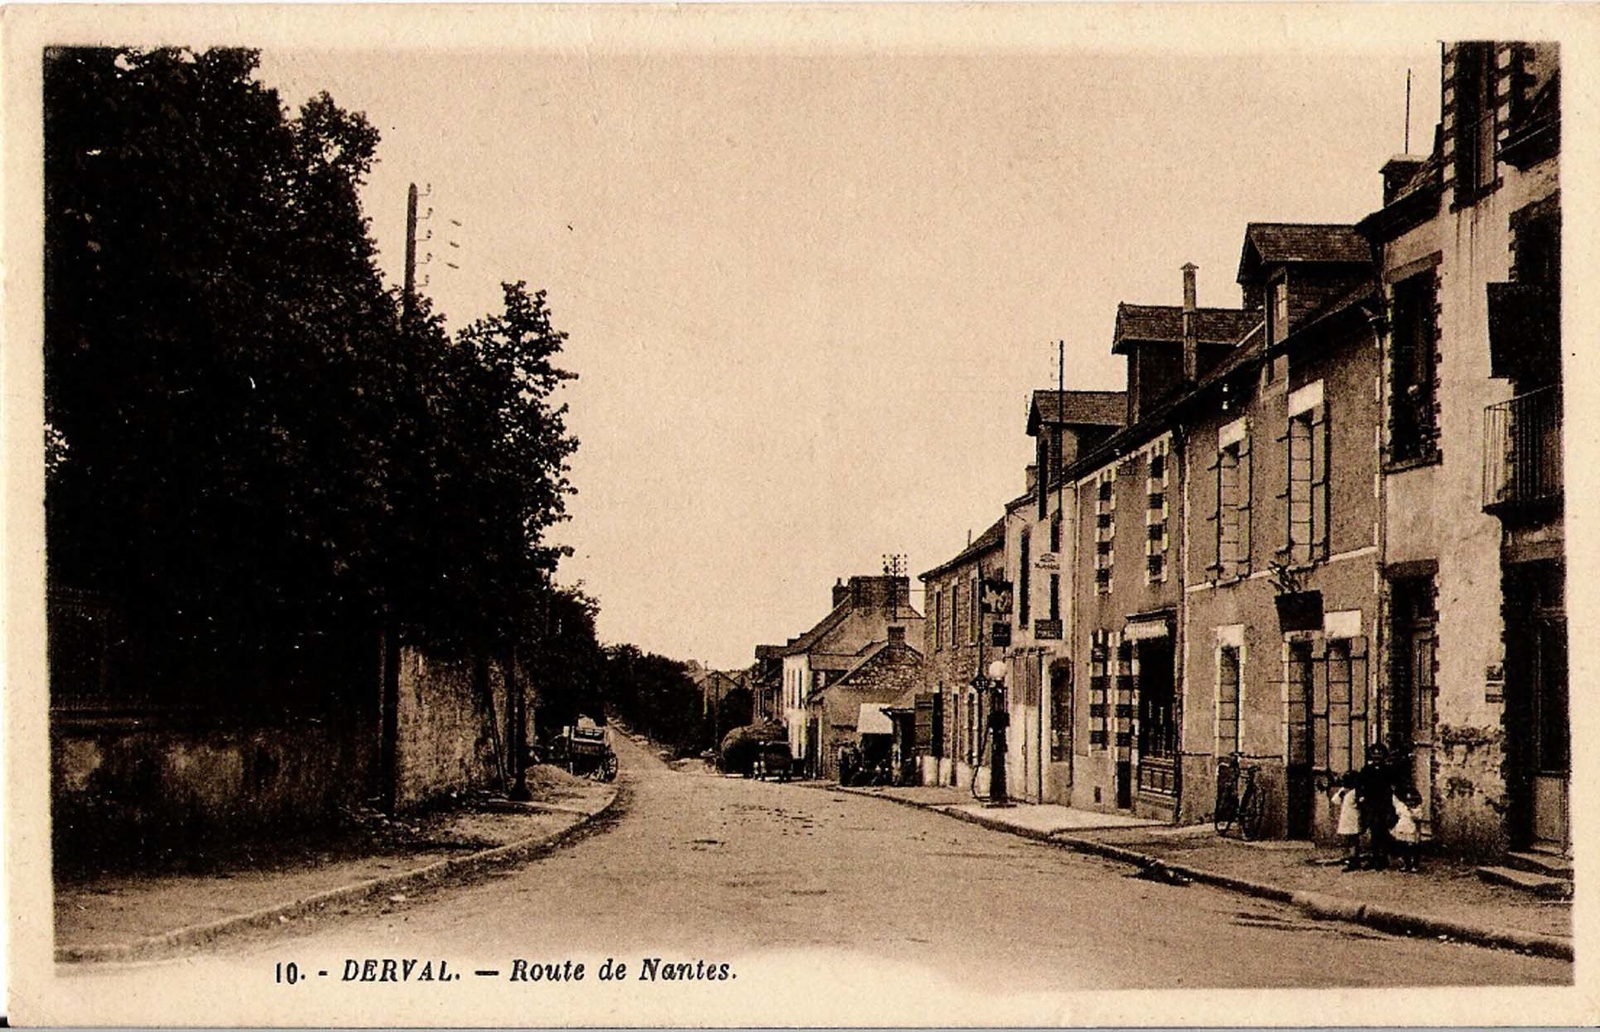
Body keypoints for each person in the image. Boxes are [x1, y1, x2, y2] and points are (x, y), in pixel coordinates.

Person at [1354, 743, 1397, 870]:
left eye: (1380, 753)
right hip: (1371, 805)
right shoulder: (1366, 770)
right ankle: (1375, 858)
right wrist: (1361, 797)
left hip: (1384, 804)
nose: (1377, 756)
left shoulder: (1389, 770)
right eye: (1374, 753)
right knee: (1373, 831)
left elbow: (1393, 786)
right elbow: (1360, 785)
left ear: (1384, 755)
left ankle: (1383, 859)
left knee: (1383, 831)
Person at [1331, 769, 1362, 869]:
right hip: (1345, 817)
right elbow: (1335, 801)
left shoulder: (1357, 791)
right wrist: (1341, 794)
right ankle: (1350, 858)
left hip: (1354, 817)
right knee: (1348, 839)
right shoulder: (1344, 790)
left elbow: (1360, 803)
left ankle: (1354, 860)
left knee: (1354, 839)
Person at [1392, 788, 1423, 872]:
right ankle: (1407, 864)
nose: (1410, 803)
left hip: (1412, 830)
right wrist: (1393, 791)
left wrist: (1412, 812)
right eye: (1408, 801)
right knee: (1404, 847)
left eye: (1412, 801)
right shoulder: (1402, 807)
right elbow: (1395, 802)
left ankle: (1415, 865)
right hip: (1403, 829)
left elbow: (1417, 819)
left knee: (1413, 848)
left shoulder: (1417, 810)